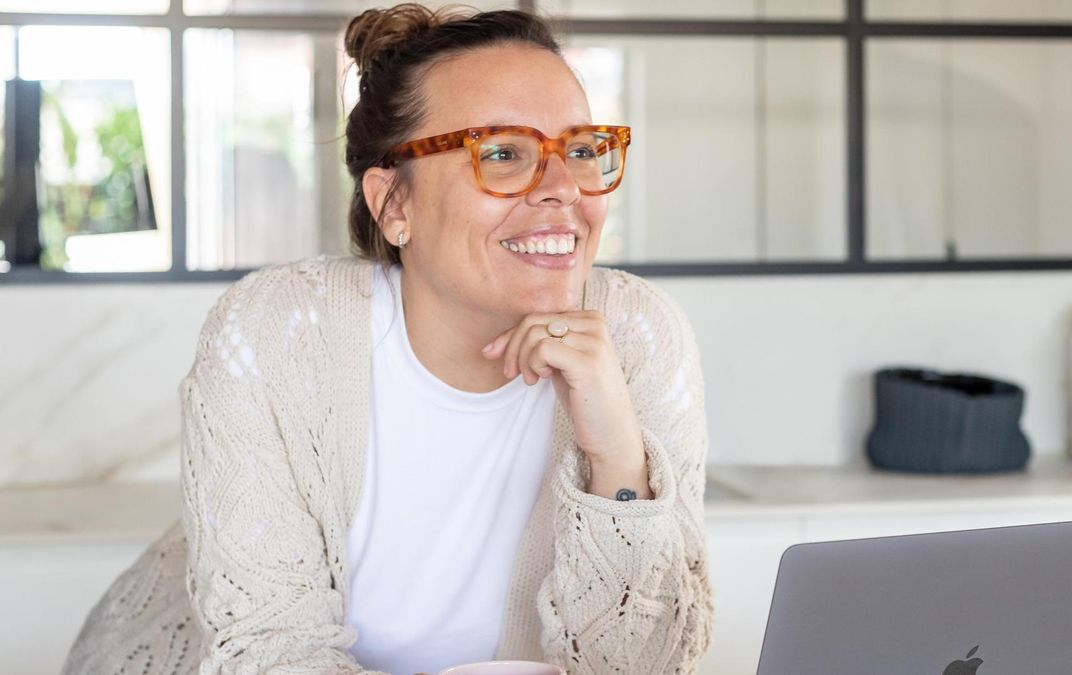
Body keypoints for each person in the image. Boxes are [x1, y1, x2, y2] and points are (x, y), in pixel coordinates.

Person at [62, 5, 712, 674]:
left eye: (580, 150)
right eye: (503, 153)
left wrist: (617, 457)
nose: (563, 189)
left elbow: (639, 663)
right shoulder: (277, 334)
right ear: (394, 204)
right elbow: (274, 651)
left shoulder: (637, 338)